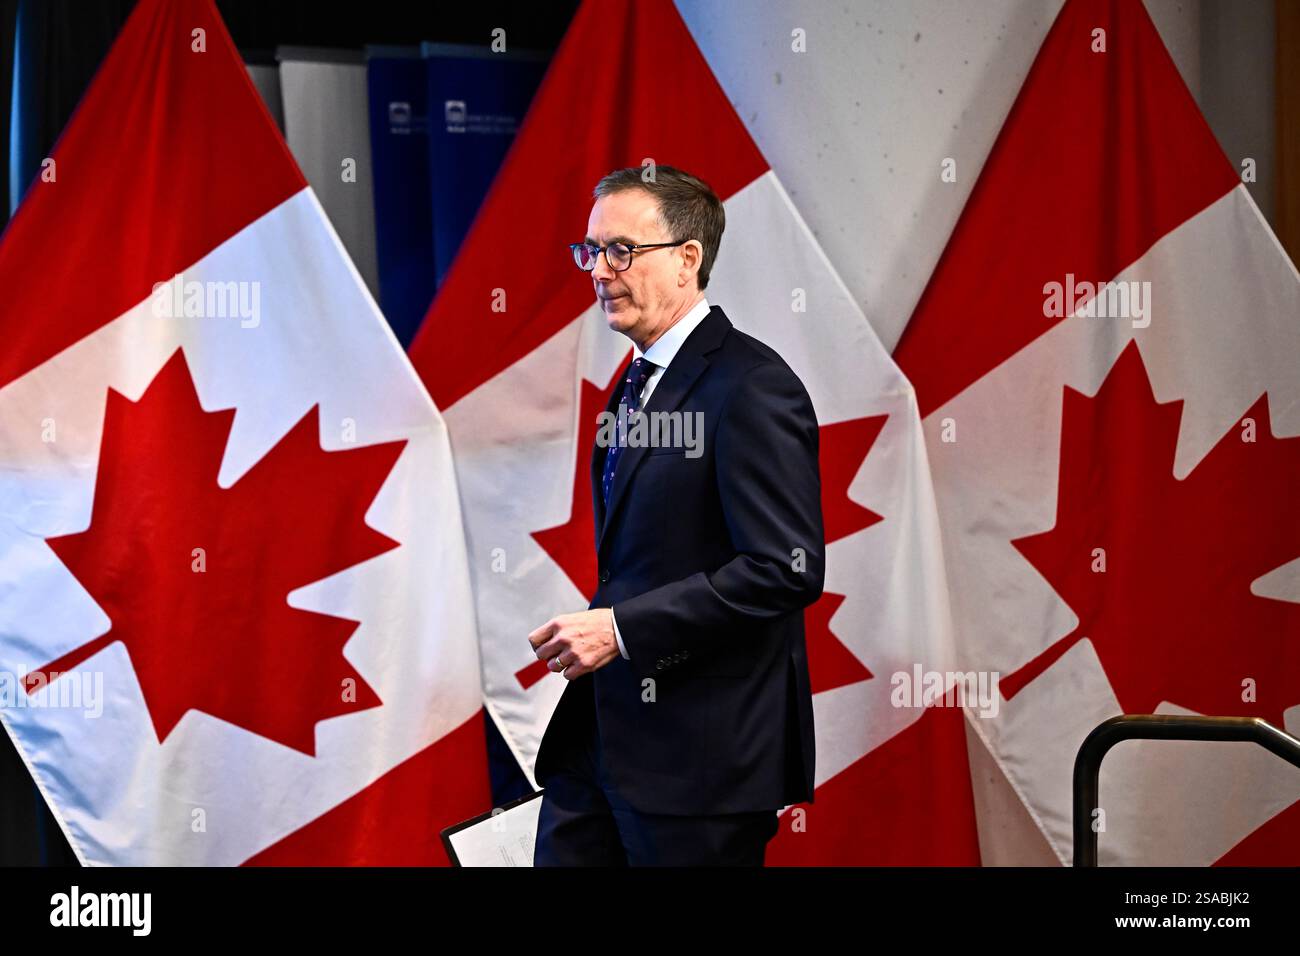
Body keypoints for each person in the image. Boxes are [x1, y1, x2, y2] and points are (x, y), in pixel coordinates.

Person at [528, 165, 824, 866]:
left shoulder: (752, 386)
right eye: (591, 251)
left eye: (621, 250)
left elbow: (784, 569)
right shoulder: (634, 382)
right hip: (600, 746)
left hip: (700, 767)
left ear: (688, 259)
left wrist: (620, 629)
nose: (600, 271)